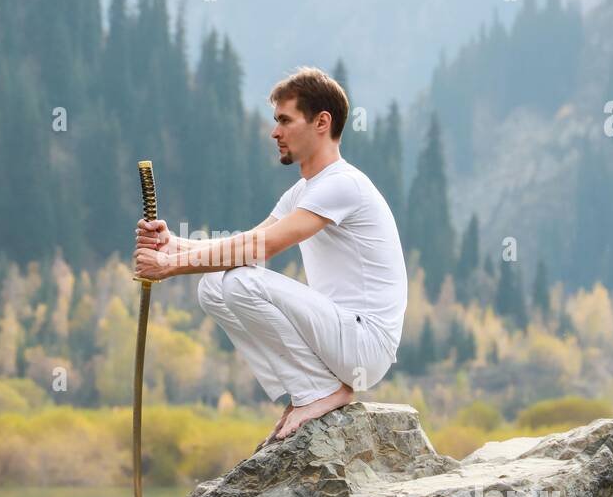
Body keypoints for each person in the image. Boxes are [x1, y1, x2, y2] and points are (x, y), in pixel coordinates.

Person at [133, 66, 407, 444]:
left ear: (321, 122)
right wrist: (173, 244)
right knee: (214, 285)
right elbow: (250, 239)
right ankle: (309, 389)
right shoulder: (304, 191)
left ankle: (320, 392)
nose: (274, 132)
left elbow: (262, 249)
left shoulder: (342, 185)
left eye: (284, 120)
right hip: (339, 336)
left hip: (365, 343)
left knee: (240, 279)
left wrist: (170, 266)